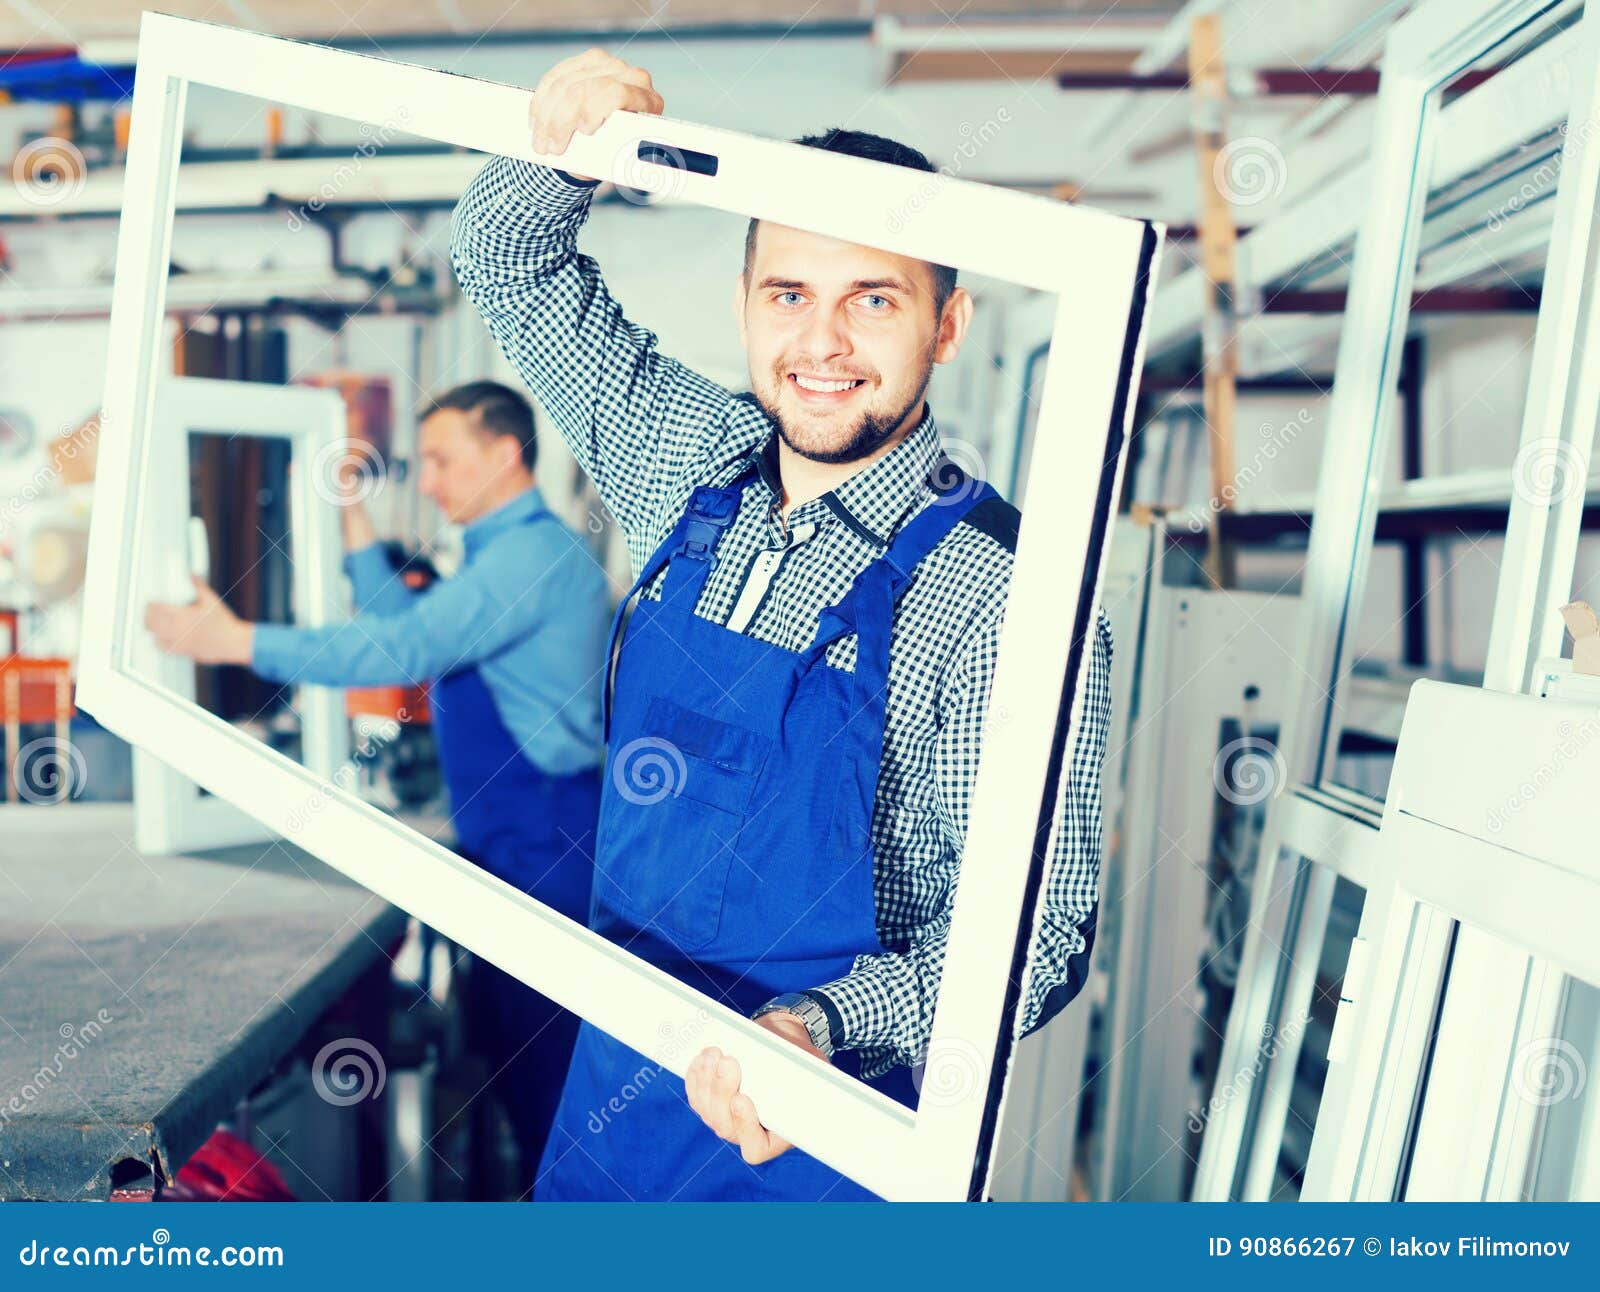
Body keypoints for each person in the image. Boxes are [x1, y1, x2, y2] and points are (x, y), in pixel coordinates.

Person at [449, 48, 1114, 1202]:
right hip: (614, 1113)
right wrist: (579, 136)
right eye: (789, 294)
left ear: (946, 325)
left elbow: (1034, 937)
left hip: (820, 1141)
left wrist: (813, 1027)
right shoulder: (683, 465)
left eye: (874, 298)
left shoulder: (1004, 593)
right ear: (747, 303)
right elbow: (505, 260)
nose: (823, 344)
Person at [144, 380, 612, 1192]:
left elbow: (400, 653)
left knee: (548, 1081)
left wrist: (232, 640)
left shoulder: (532, 558)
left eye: (441, 459)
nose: (427, 480)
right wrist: (352, 518)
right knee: (512, 1063)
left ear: (503, 454)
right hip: (514, 844)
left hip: (548, 849)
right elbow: (405, 627)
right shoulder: (498, 558)